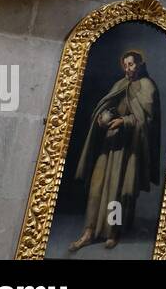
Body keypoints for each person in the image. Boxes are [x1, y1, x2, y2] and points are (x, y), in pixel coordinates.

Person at [69, 50, 161, 252]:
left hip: (130, 148)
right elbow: (108, 106)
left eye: (131, 64)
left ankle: (113, 232)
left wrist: (125, 121)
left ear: (140, 64)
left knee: (119, 192)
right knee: (96, 187)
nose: (128, 68)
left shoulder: (148, 87)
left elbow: (148, 121)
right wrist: (104, 117)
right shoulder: (119, 85)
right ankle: (88, 231)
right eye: (125, 65)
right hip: (110, 144)